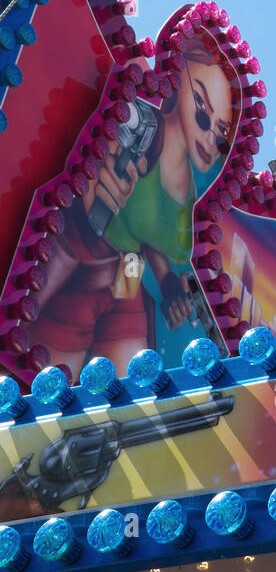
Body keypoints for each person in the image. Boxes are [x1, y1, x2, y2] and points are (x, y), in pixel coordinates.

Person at [31, 36, 239, 378]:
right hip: (82, 250)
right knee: (38, 375)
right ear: (180, 84)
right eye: (203, 114)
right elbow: (101, 132)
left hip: (127, 276)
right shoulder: (142, 122)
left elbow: (150, 238)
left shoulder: (194, 192)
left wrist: (169, 285)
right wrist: (94, 169)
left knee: (127, 394)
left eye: (221, 135)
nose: (208, 140)